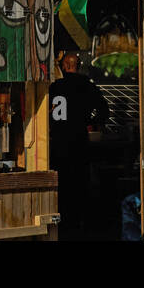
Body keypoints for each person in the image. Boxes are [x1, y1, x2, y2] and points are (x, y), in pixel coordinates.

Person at [49, 49, 109, 235]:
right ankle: (78, 223)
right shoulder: (85, 85)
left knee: (61, 185)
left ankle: (62, 223)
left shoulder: (53, 85)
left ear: (63, 66)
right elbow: (104, 111)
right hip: (78, 142)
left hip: (57, 143)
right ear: (78, 66)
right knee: (79, 184)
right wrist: (88, 122)